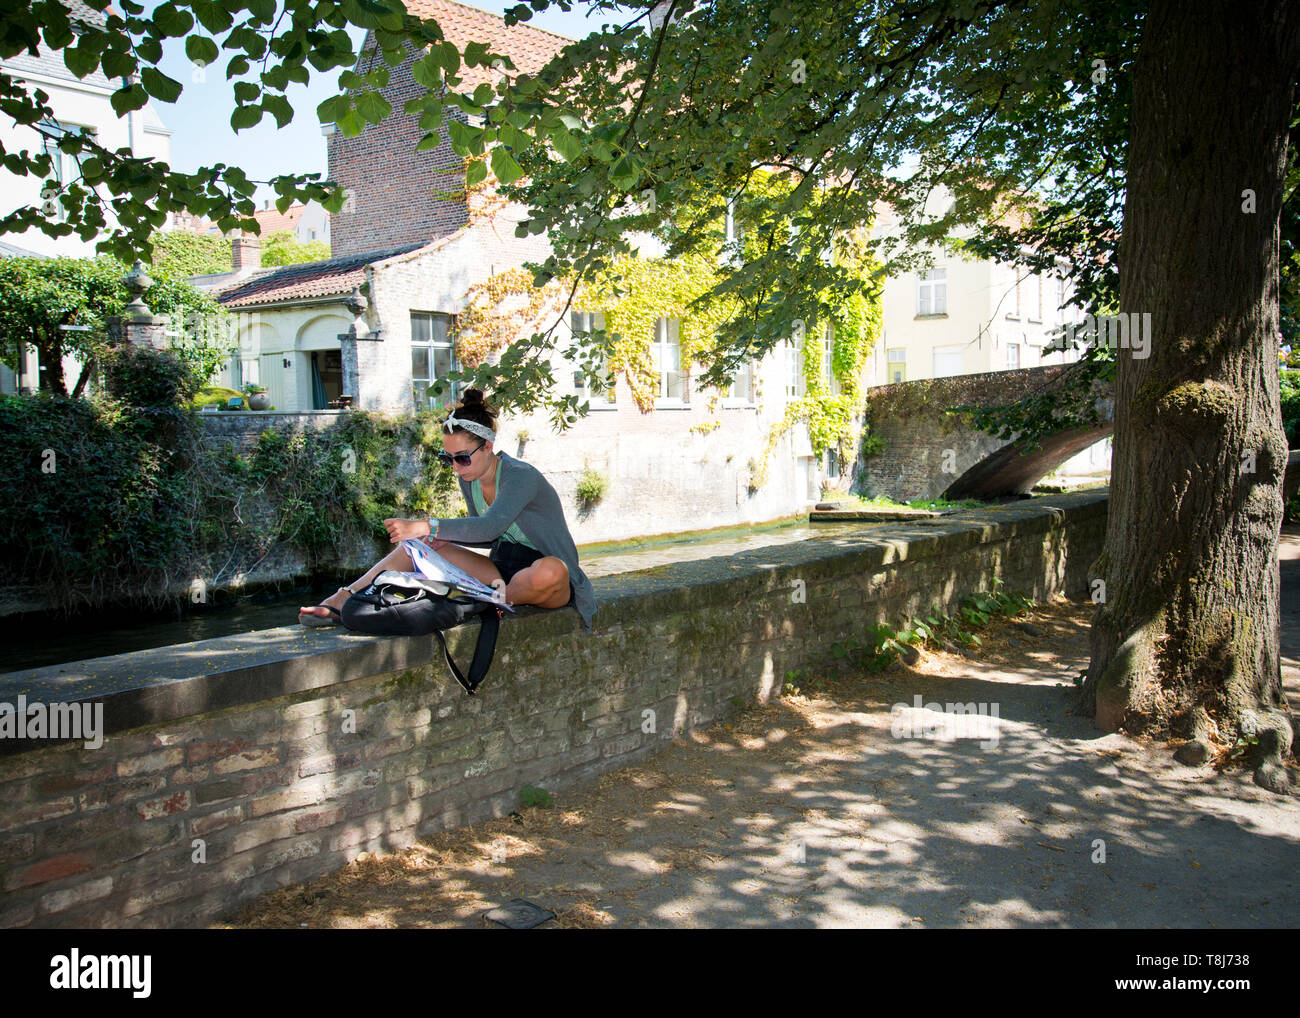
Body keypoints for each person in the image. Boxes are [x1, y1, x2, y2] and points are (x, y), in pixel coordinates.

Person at [299, 388, 597, 632]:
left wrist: (428, 525)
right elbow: (490, 539)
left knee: (550, 571)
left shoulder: (520, 476)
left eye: (462, 458)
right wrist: (436, 540)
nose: (455, 467)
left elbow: (490, 526)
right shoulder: (471, 478)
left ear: (488, 446)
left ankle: (483, 601)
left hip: (546, 576)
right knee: (416, 547)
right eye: (448, 458)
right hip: (501, 572)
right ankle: (344, 598)